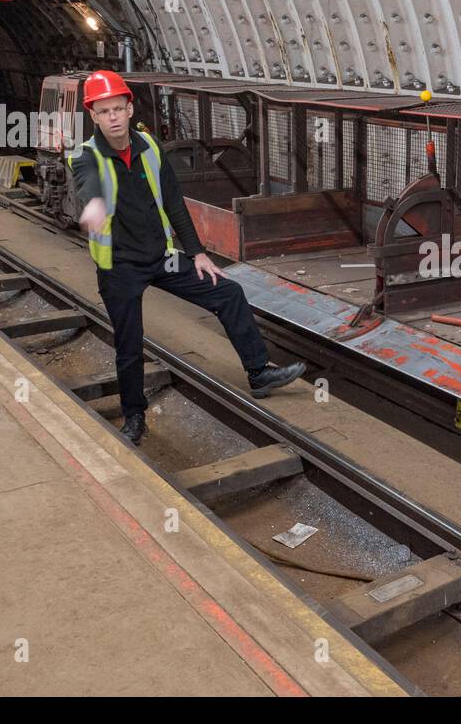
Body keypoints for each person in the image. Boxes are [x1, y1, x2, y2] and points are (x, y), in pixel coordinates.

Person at [66, 69, 304, 445]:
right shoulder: (85, 155)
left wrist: (197, 254)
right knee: (129, 345)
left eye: (117, 108)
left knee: (228, 293)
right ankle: (134, 417)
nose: (112, 117)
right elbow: (89, 184)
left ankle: (259, 372)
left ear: (129, 108)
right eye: (103, 110)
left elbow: (174, 203)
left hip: (162, 257)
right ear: (93, 116)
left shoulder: (150, 147)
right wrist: (94, 205)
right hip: (119, 266)